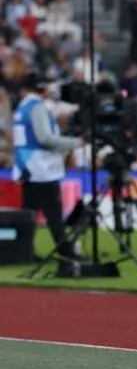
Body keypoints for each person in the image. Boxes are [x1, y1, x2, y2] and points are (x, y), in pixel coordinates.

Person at [11, 72, 83, 272]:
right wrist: (74, 143)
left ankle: (24, 251)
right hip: (41, 168)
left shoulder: (22, 108)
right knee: (53, 213)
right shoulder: (37, 107)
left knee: (30, 214)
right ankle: (66, 253)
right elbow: (45, 139)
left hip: (26, 166)